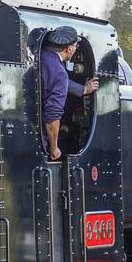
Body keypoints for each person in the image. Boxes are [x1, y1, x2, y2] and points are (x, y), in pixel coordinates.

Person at [41, 25, 98, 161]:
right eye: (76, 46)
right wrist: (54, 147)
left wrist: (83, 89)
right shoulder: (59, 72)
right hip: (41, 136)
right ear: (69, 49)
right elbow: (52, 116)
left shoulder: (43, 56)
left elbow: (56, 79)